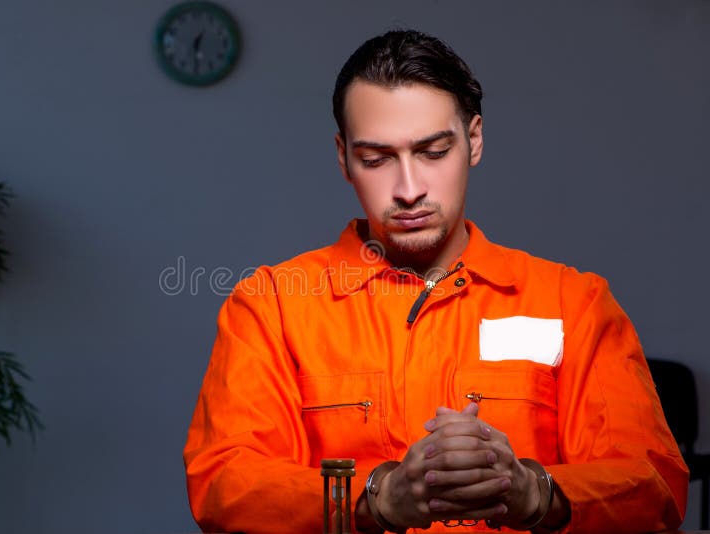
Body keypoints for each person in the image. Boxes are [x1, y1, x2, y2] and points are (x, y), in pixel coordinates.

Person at [183, 30, 688, 533]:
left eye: (433, 151)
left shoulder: (573, 303)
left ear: (474, 140)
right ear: (344, 158)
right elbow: (225, 483)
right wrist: (374, 501)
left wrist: (536, 493)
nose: (408, 190)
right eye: (376, 159)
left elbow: (653, 484)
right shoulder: (272, 305)